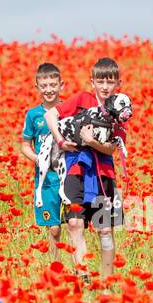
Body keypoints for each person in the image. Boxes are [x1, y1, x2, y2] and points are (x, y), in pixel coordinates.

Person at [44, 57, 132, 281]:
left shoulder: (119, 111)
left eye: (110, 82)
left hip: (103, 175)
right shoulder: (82, 99)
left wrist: (91, 141)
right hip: (76, 172)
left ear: (118, 84)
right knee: (74, 223)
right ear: (92, 82)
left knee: (105, 230)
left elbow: (113, 148)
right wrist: (61, 141)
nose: (105, 87)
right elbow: (51, 114)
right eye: (100, 82)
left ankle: (107, 280)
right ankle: (82, 276)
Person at [20, 62, 65, 251]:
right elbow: (25, 146)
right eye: (44, 86)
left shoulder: (68, 110)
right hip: (46, 177)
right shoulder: (33, 115)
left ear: (61, 85)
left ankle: (78, 268)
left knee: (74, 224)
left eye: (53, 85)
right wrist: (38, 159)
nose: (49, 90)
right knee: (54, 228)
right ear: (37, 87)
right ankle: (55, 268)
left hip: (68, 174)